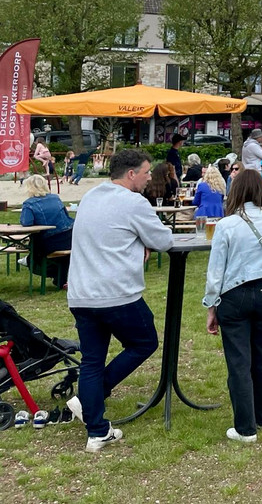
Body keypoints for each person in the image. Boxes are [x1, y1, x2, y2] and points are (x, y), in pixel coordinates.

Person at [65, 149, 174, 452]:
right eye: (146, 171)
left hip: (81, 293)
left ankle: (97, 430)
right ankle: (92, 399)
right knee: (145, 342)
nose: (150, 176)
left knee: (91, 360)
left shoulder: (90, 196)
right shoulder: (132, 202)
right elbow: (164, 240)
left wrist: (136, 242)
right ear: (130, 174)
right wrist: (142, 243)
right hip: (115, 293)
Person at [202, 170, 262, 442]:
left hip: (234, 293)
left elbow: (216, 270)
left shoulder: (227, 225)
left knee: (239, 361)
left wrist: (211, 305)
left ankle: (245, 427)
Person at [20, 174, 73, 289]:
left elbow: (26, 222)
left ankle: (30, 261)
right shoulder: (56, 198)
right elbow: (66, 216)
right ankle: (61, 280)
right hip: (68, 237)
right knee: (64, 257)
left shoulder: (29, 203)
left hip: (49, 240)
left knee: (37, 250)